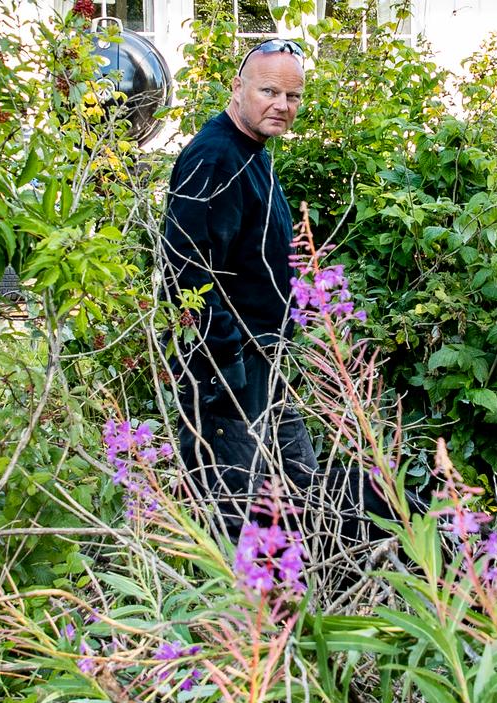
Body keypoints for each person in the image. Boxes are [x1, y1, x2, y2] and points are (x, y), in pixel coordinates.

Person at [160, 38, 316, 532]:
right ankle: (232, 606)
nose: (282, 106)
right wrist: (225, 360)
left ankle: (299, 597)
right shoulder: (215, 156)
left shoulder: (253, 150)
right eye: (269, 91)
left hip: (261, 361)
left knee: (300, 486)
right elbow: (184, 270)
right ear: (238, 88)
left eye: (292, 97)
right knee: (232, 509)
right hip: (226, 370)